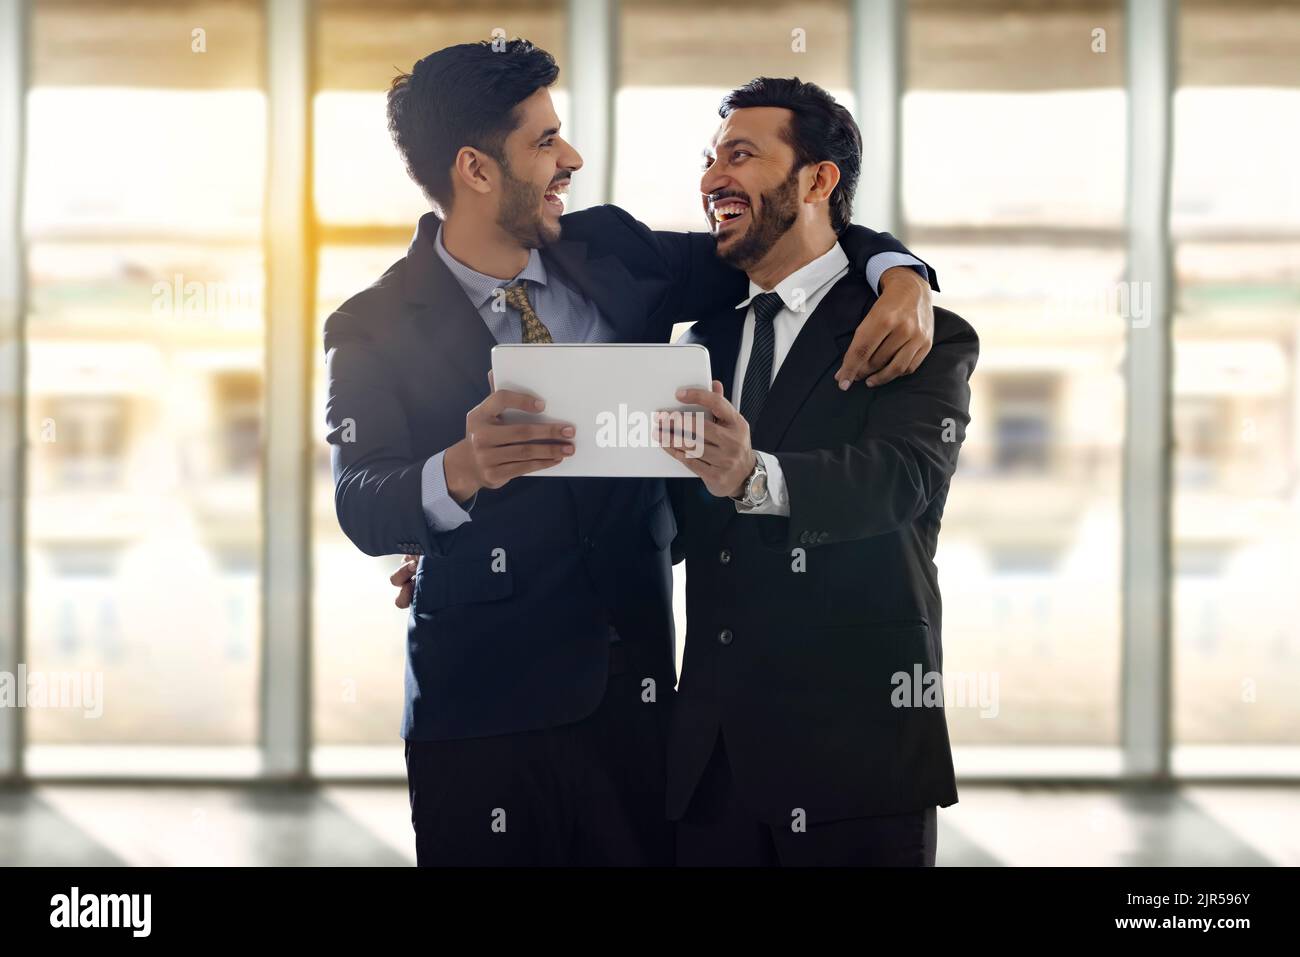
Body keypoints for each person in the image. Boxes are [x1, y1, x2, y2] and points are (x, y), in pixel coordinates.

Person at [331, 39, 938, 865]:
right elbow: (362, 497)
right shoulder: (370, 325)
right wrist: (458, 472)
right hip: (480, 720)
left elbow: (781, 235)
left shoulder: (616, 253)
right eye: (545, 142)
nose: (571, 158)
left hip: (644, 713)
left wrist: (901, 272)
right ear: (475, 170)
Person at [655, 77, 978, 866]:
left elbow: (901, 478)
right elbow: (662, 518)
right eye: (708, 159)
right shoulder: (699, 341)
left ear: (817, 179)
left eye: (740, 154)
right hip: (712, 768)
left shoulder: (917, 331)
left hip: (857, 758)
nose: (710, 179)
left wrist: (751, 474)